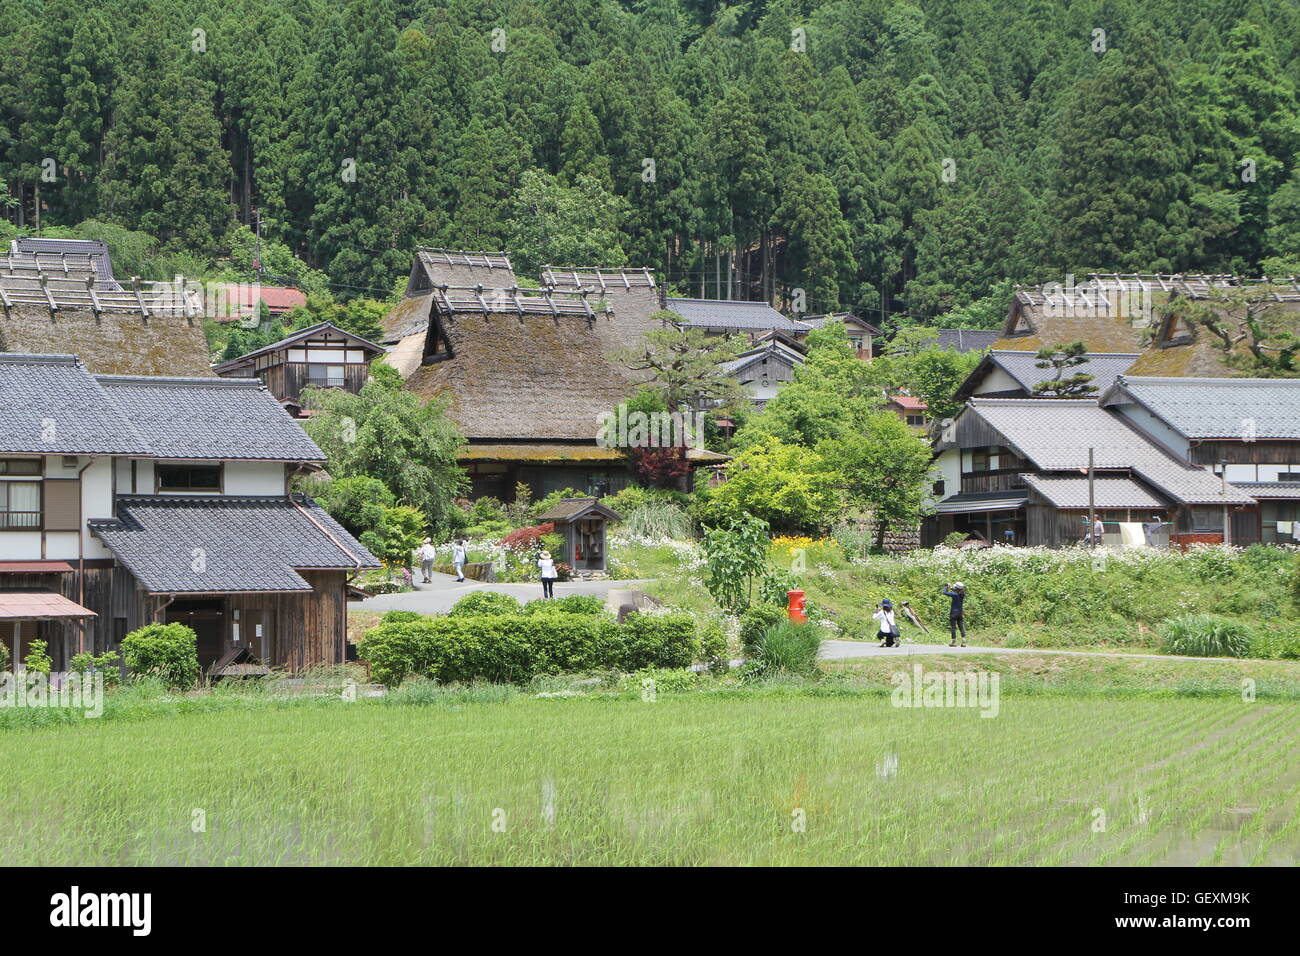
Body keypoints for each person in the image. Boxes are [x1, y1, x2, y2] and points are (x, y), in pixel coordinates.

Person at [943, 582, 967, 647]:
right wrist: (950, 587)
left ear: (956, 588)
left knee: (953, 627)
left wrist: (945, 587)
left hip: (953, 613)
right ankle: (964, 642)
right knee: (961, 627)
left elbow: (944, 592)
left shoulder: (954, 594)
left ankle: (954, 642)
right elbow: (956, 591)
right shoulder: (962, 594)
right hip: (960, 613)